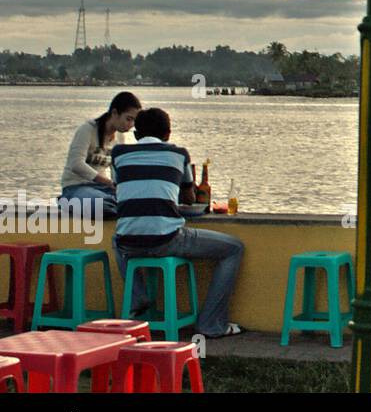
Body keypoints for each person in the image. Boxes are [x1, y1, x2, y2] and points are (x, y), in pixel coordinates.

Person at [111, 107, 244, 338]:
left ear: (135, 134)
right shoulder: (179, 154)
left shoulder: (118, 154)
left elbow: (119, 187)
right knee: (234, 248)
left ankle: (138, 296)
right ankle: (211, 324)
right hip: (167, 240)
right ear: (168, 134)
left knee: (117, 239)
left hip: (128, 243)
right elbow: (189, 198)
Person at [61, 91, 141, 218]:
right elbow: (75, 163)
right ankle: (66, 202)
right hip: (75, 187)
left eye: (133, 121)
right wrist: (107, 182)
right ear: (114, 113)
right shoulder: (88, 129)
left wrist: (120, 186)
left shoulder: (119, 137)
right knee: (102, 205)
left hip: (103, 190)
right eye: (128, 119)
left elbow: (116, 169)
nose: (131, 125)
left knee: (137, 202)